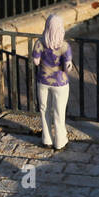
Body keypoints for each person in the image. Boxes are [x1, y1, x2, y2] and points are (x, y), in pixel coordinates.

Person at [30, 12, 73, 150]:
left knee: (44, 109)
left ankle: (47, 139)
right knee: (59, 112)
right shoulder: (64, 46)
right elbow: (68, 66)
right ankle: (60, 141)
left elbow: (36, 61)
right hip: (60, 83)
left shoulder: (39, 43)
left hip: (43, 81)